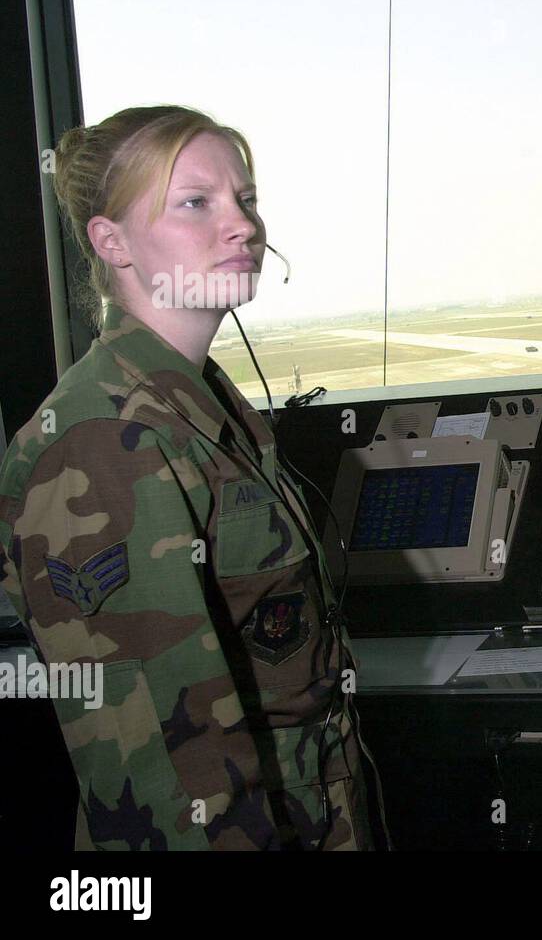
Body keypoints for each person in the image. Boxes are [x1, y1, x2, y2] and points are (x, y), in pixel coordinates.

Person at [0, 106, 382, 849]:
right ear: (110, 241)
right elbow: (170, 773)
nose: (242, 225)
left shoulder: (201, 404)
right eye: (195, 203)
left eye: (246, 199)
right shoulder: (105, 438)